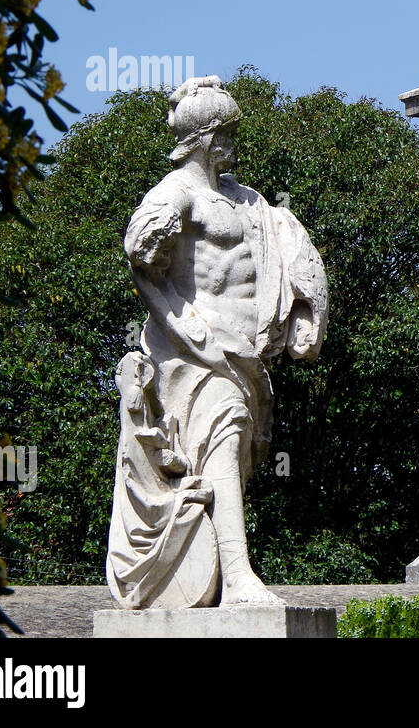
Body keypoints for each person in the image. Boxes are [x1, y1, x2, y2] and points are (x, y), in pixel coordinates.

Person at [107, 76, 327, 609]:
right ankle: (240, 575)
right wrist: (178, 322)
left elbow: (287, 244)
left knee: (232, 459)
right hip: (195, 354)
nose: (234, 143)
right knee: (223, 436)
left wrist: (306, 306)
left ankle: (217, 574)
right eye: (226, 133)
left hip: (245, 354)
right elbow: (141, 261)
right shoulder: (175, 195)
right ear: (206, 139)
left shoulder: (245, 199)